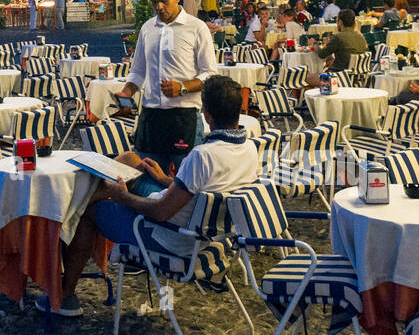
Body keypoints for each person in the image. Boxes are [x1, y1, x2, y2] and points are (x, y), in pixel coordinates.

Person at [37, 75, 259, 317]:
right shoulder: (248, 149)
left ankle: (65, 292)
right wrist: (164, 179)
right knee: (132, 160)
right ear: (239, 110)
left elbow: (160, 211)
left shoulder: (203, 155)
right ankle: (69, 219)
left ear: (206, 114)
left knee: (90, 208)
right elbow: (202, 188)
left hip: (168, 236)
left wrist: (121, 197)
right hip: (196, 228)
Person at [121, 0, 218, 175]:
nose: (159, 8)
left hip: (183, 117)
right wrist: (127, 92)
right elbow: (138, 70)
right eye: (154, 2)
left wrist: (182, 88)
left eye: (164, 1)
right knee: (144, 178)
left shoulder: (197, 28)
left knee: (186, 182)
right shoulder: (148, 28)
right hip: (151, 116)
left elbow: (210, 74)